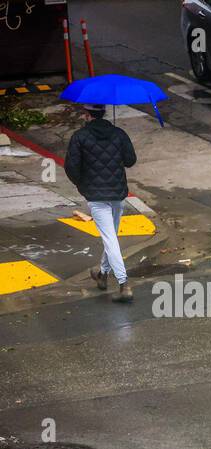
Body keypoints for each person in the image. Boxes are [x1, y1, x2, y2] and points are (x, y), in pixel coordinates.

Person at [64, 105, 137, 303]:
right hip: (118, 194)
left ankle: (124, 284)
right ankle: (103, 275)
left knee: (110, 239)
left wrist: (82, 185)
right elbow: (130, 160)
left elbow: (71, 167)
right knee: (110, 236)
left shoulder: (79, 137)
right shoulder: (119, 133)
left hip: (96, 197)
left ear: (88, 115)